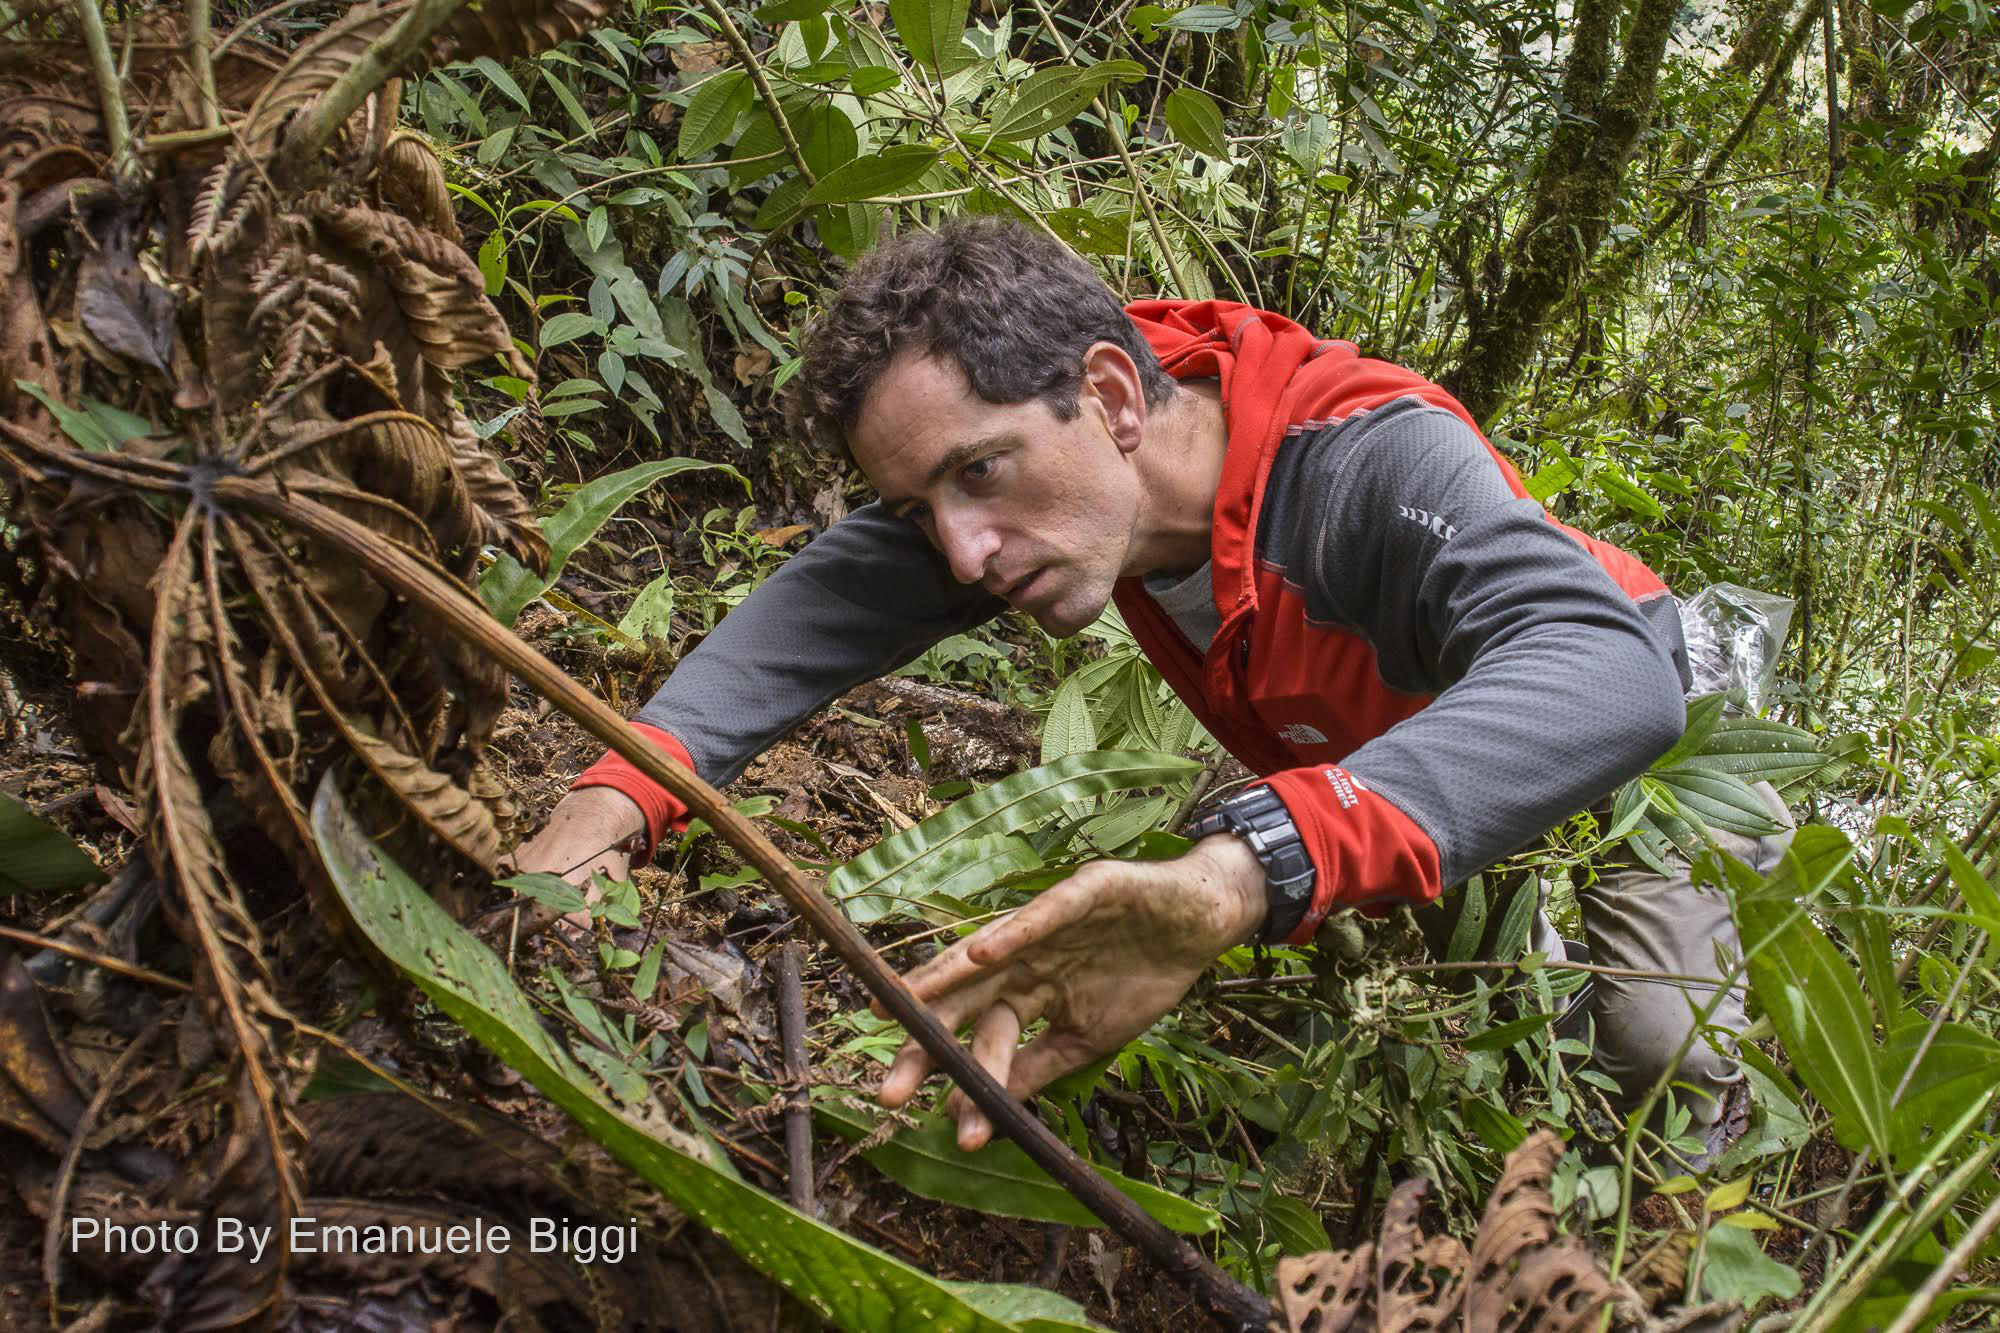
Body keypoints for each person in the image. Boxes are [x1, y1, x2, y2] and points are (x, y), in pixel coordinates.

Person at [512, 216, 1783, 1163]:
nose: (959, 549)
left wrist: (1239, 870)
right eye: (920, 507)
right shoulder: (1062, 462)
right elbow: (818, 614)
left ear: (1113, 397)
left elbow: (1602, 674)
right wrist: (616, 796)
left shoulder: (1365, 459)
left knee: (1653, 1046)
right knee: (1505, 1022)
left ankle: (1700, 1230)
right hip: (1399, 755)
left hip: (1640, 728)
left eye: (976, 477)